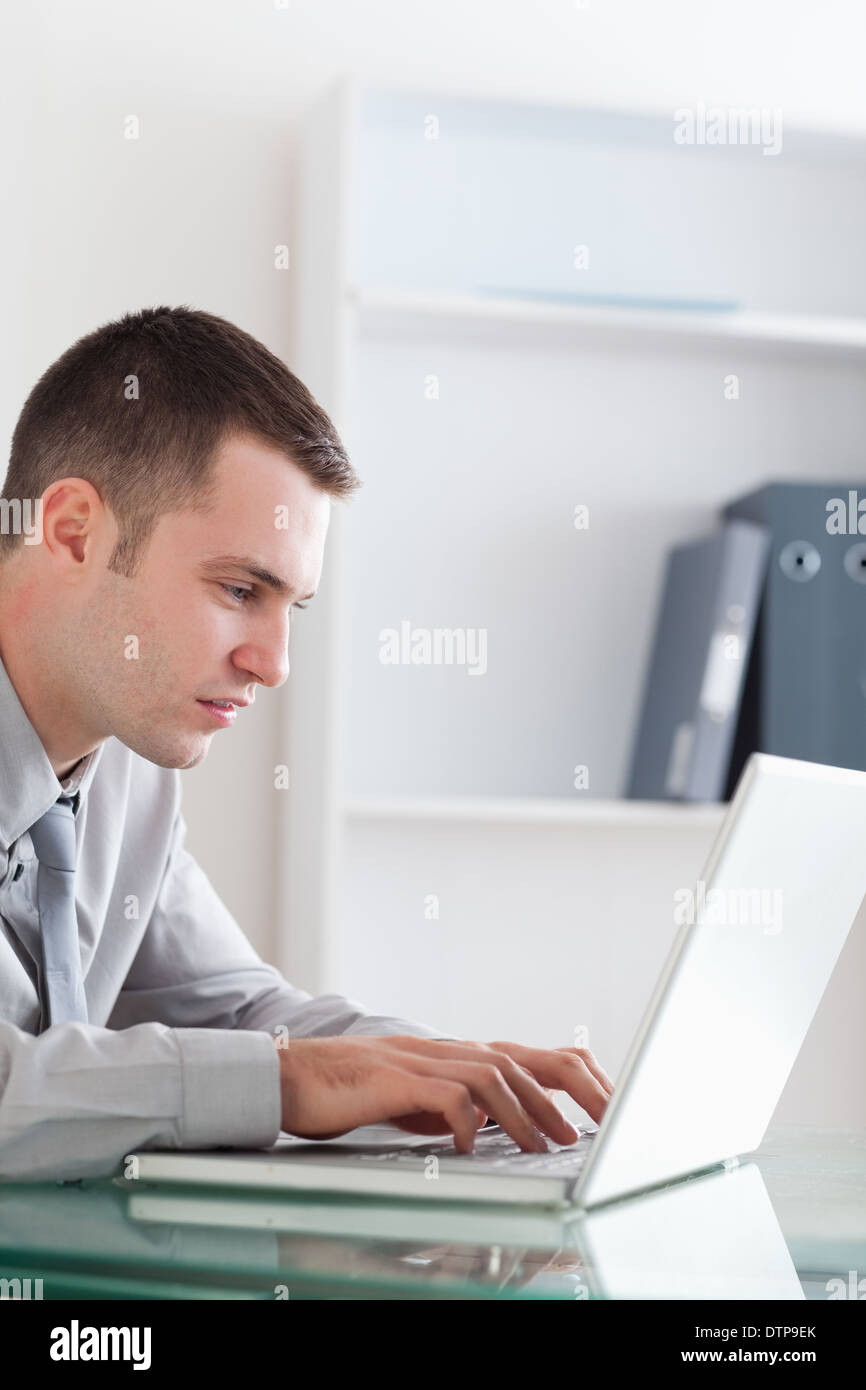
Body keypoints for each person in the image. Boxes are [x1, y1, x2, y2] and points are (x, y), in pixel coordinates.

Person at [0, 306, 612, 1181]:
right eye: (240, 588)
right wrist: (282, 1083)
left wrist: (445, 1068)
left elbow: (242, 1011)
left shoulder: (127, 767)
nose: (274, 664)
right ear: (73, 532)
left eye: (293, 607)